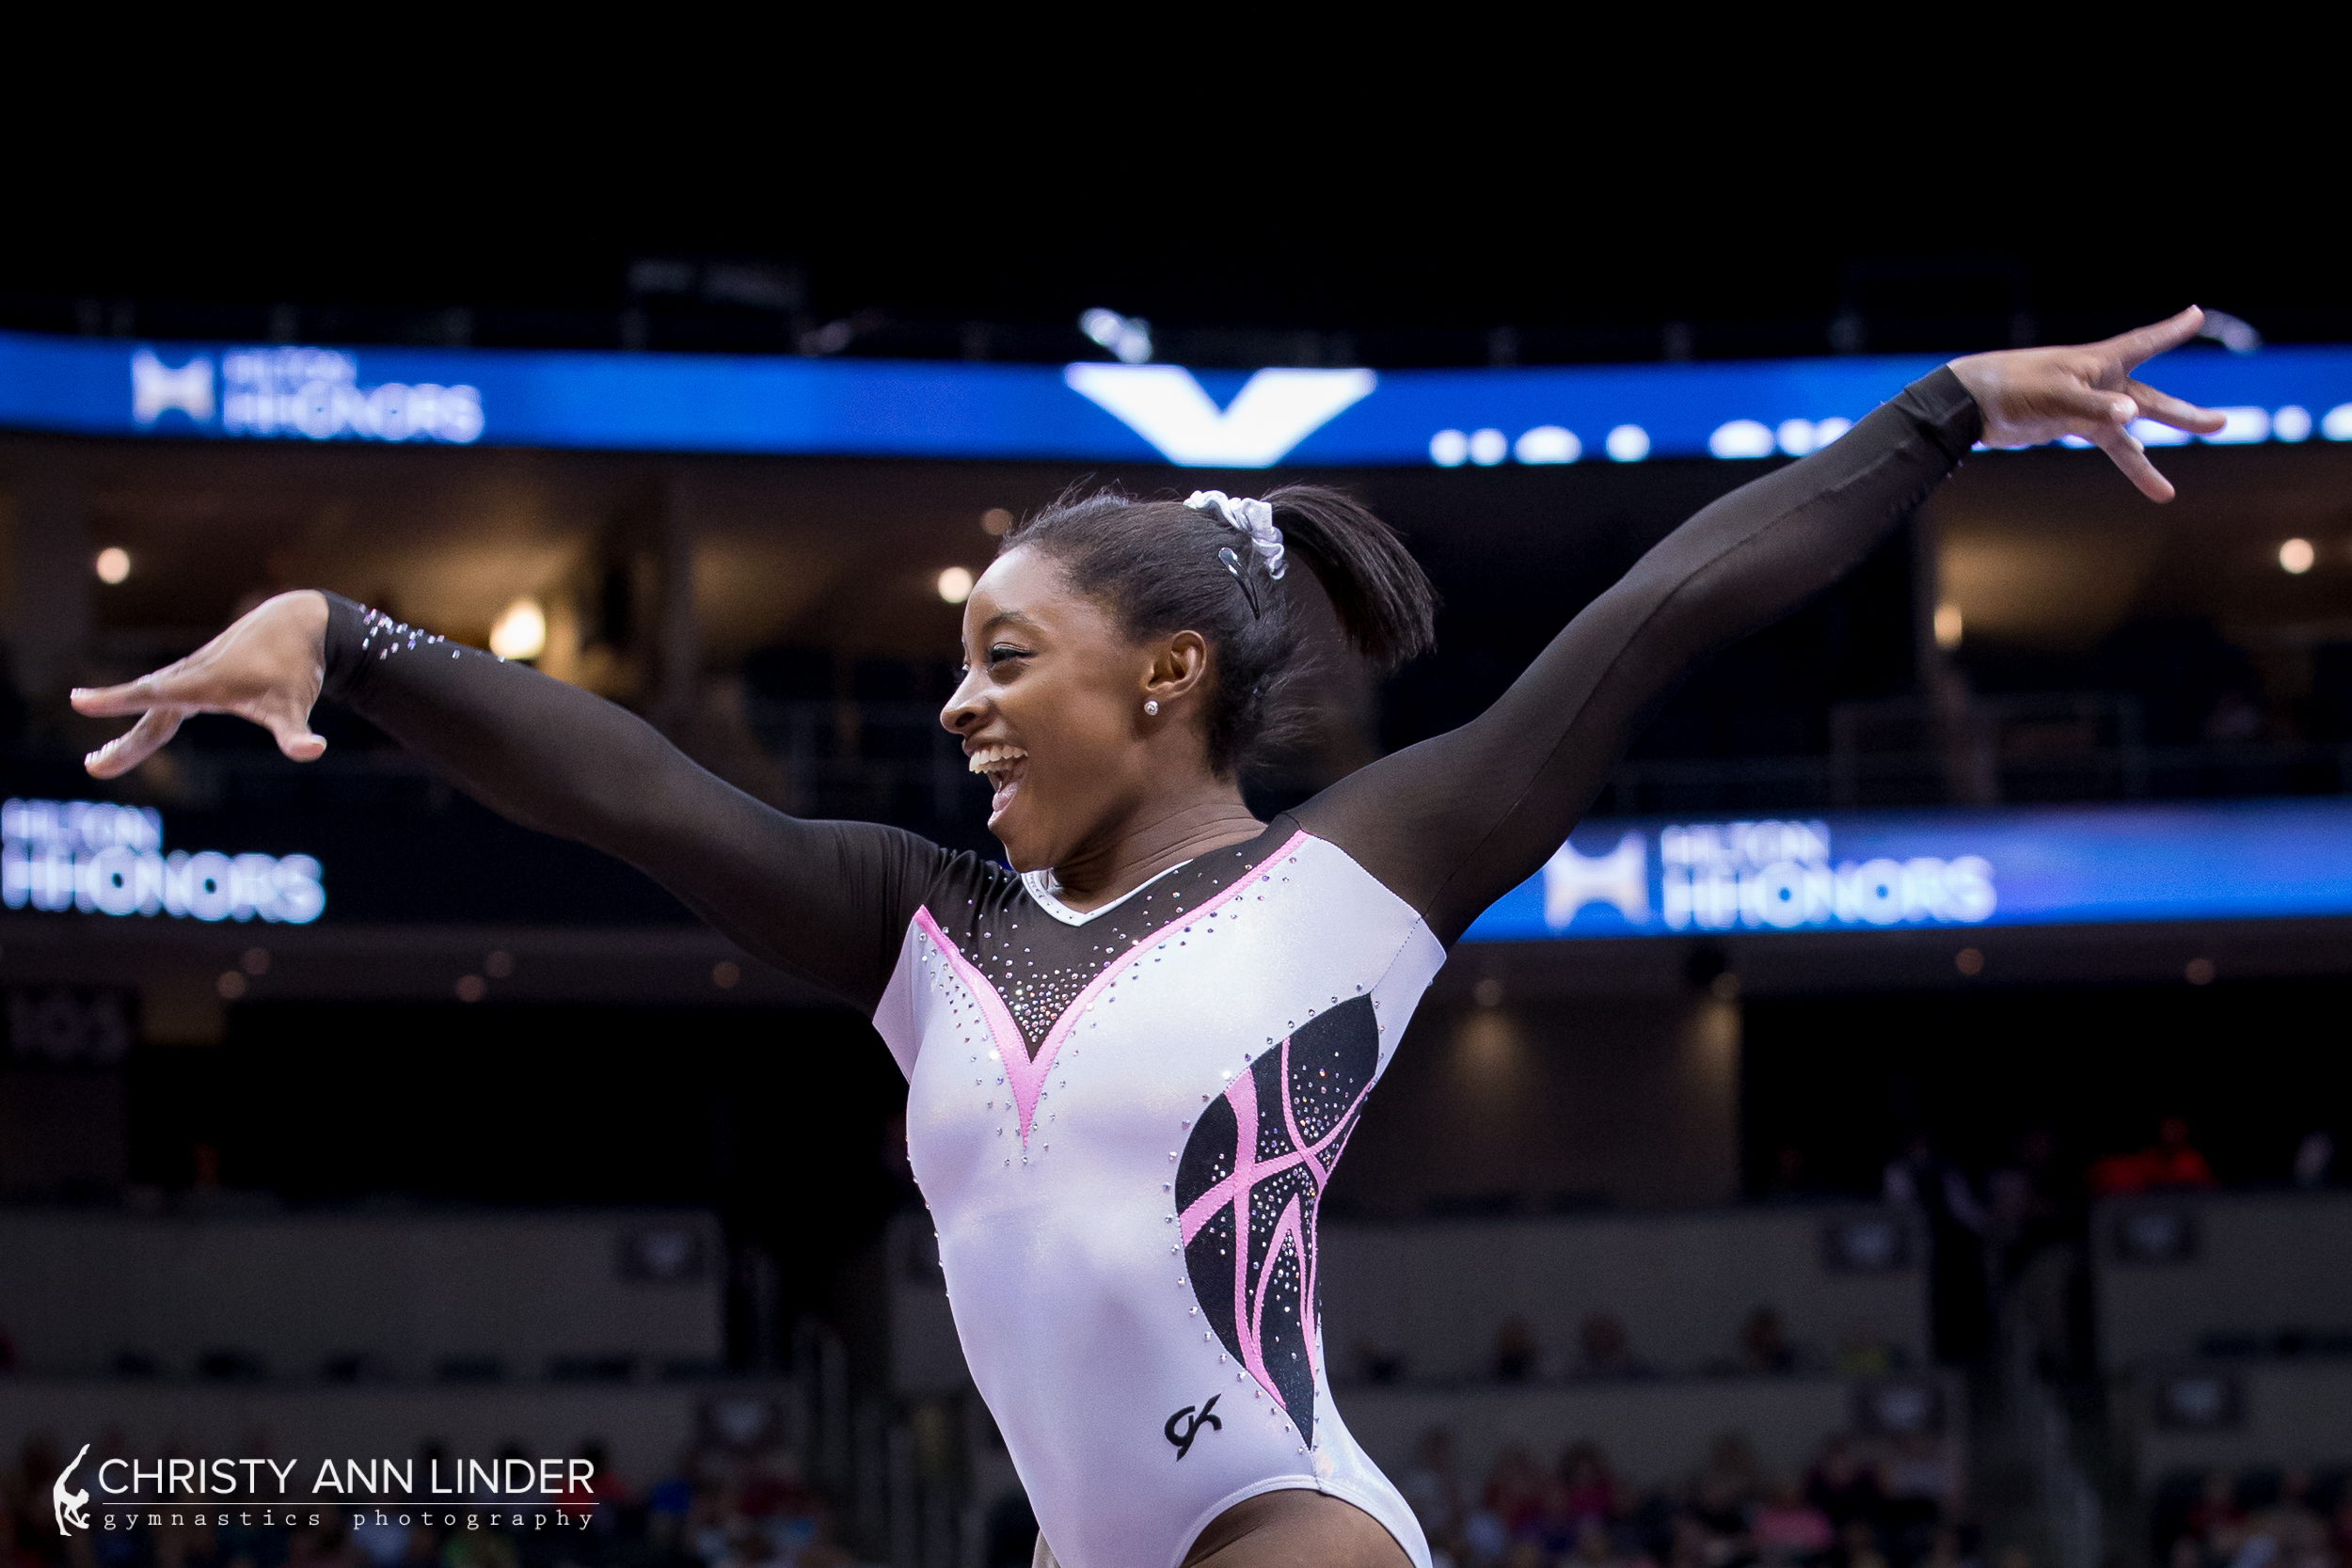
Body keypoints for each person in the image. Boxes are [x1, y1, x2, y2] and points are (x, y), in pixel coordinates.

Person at [72, 314, 2224, 1568]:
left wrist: (1942, 408)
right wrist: (348, 643)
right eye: (959, 663)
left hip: (1277, 1525)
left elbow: (1651, 617)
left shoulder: (1358, 875)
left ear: (1165, 675)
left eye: (1008, 658)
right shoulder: (914, 926)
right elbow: (631, 788)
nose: (955, 704)